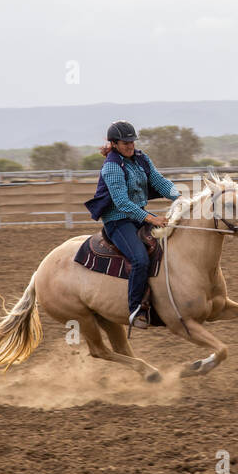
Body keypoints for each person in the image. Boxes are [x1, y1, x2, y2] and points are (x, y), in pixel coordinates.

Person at [84, 120, 181, 329]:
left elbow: (159, 181)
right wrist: (151, 218)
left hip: (138, 216)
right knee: (139, 259)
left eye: (132, 141)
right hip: (118, 221)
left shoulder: (141, 158)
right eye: (125, 142)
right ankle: (136, 309)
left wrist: (180, 198)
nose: (130, 146)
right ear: (114, 144)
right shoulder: (111, 166)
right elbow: (122, 203)